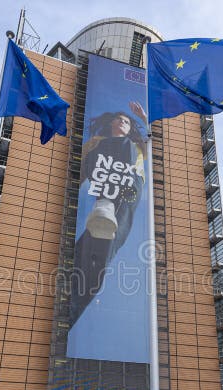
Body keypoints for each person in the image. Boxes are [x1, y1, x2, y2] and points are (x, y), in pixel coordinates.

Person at [71, 102, 147, 325]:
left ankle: (107, 205)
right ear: (112, 122)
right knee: (83, 255)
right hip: (103, 179)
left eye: (127, 122)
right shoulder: (98, 143)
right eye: (119, 119)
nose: (122, 122)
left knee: (108, 241)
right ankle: (74, 301)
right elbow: (80, 168)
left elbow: (151, 141)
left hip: (129, 187)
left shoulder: (136, 146)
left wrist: (143, 118)